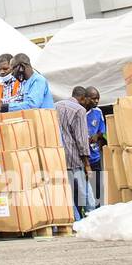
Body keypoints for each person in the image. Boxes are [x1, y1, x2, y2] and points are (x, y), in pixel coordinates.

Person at [55, 87, 95, 217]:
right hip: (74, 158)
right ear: (83, 98)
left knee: (67, 192)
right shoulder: (79, 110)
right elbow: (81, 139)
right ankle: (92, 216)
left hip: (57, 156)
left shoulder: (55, 106)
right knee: (85, 192)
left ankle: (74, 219)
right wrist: (87, 163)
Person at [84, 87, 106, 199]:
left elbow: (102, 130)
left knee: (98, 188)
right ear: (86, 99)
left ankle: (100, 210)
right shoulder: (79, 113)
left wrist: (97, 136)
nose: (96, 101)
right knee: (85, 191)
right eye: (93, 98)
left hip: (95, 157)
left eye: (98, 98)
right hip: (82, 159)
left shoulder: (98, 112)